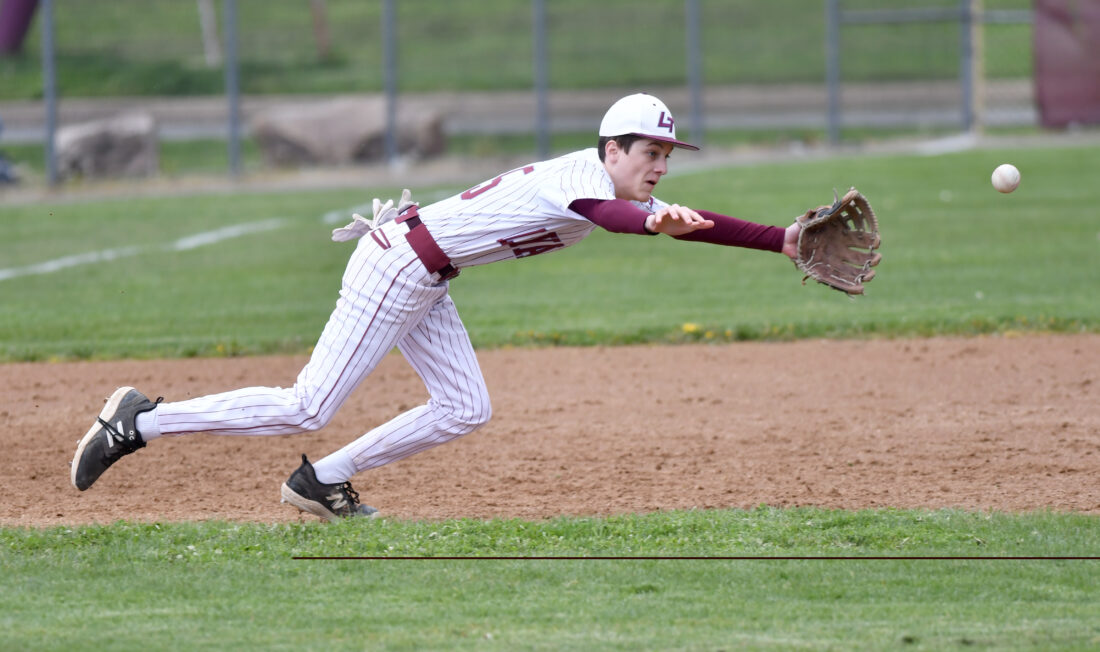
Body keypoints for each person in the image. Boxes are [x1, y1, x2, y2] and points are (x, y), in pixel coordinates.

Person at [71, 93, 803, 521]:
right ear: (612, 148)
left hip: (427, 273)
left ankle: (319, 481)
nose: (662, 166)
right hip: (398, 263)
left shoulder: (619, 187)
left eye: (667, 155)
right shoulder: (583, 181)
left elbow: (693, 219)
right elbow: (612, 218)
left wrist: (785, 242)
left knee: (464, 407)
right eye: (651, 152)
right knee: (306, 404)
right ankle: (141, 419)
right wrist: (648, 222)